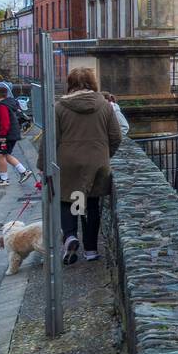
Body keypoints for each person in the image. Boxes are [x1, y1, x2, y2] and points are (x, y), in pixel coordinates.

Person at [54, 66, 121, 264]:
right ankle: (91, 249)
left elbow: (52, 139)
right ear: (93, 83)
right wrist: (105, 155)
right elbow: (116, 137)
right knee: (91, 203)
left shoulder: (59, 107)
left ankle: (70, 235)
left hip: (69, 162)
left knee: (71, 200)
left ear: (70, 84)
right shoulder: (105, 106)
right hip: (96, 162)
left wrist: (44, 164)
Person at [0, 82, 33, 186]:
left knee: (1, 156)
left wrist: (2, 135)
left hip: (5, 135)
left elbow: (5, 122)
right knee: (6, 154)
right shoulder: (10, 103)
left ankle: (4, 179)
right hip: (12, 134)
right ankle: (23, 171)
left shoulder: (2, 106)